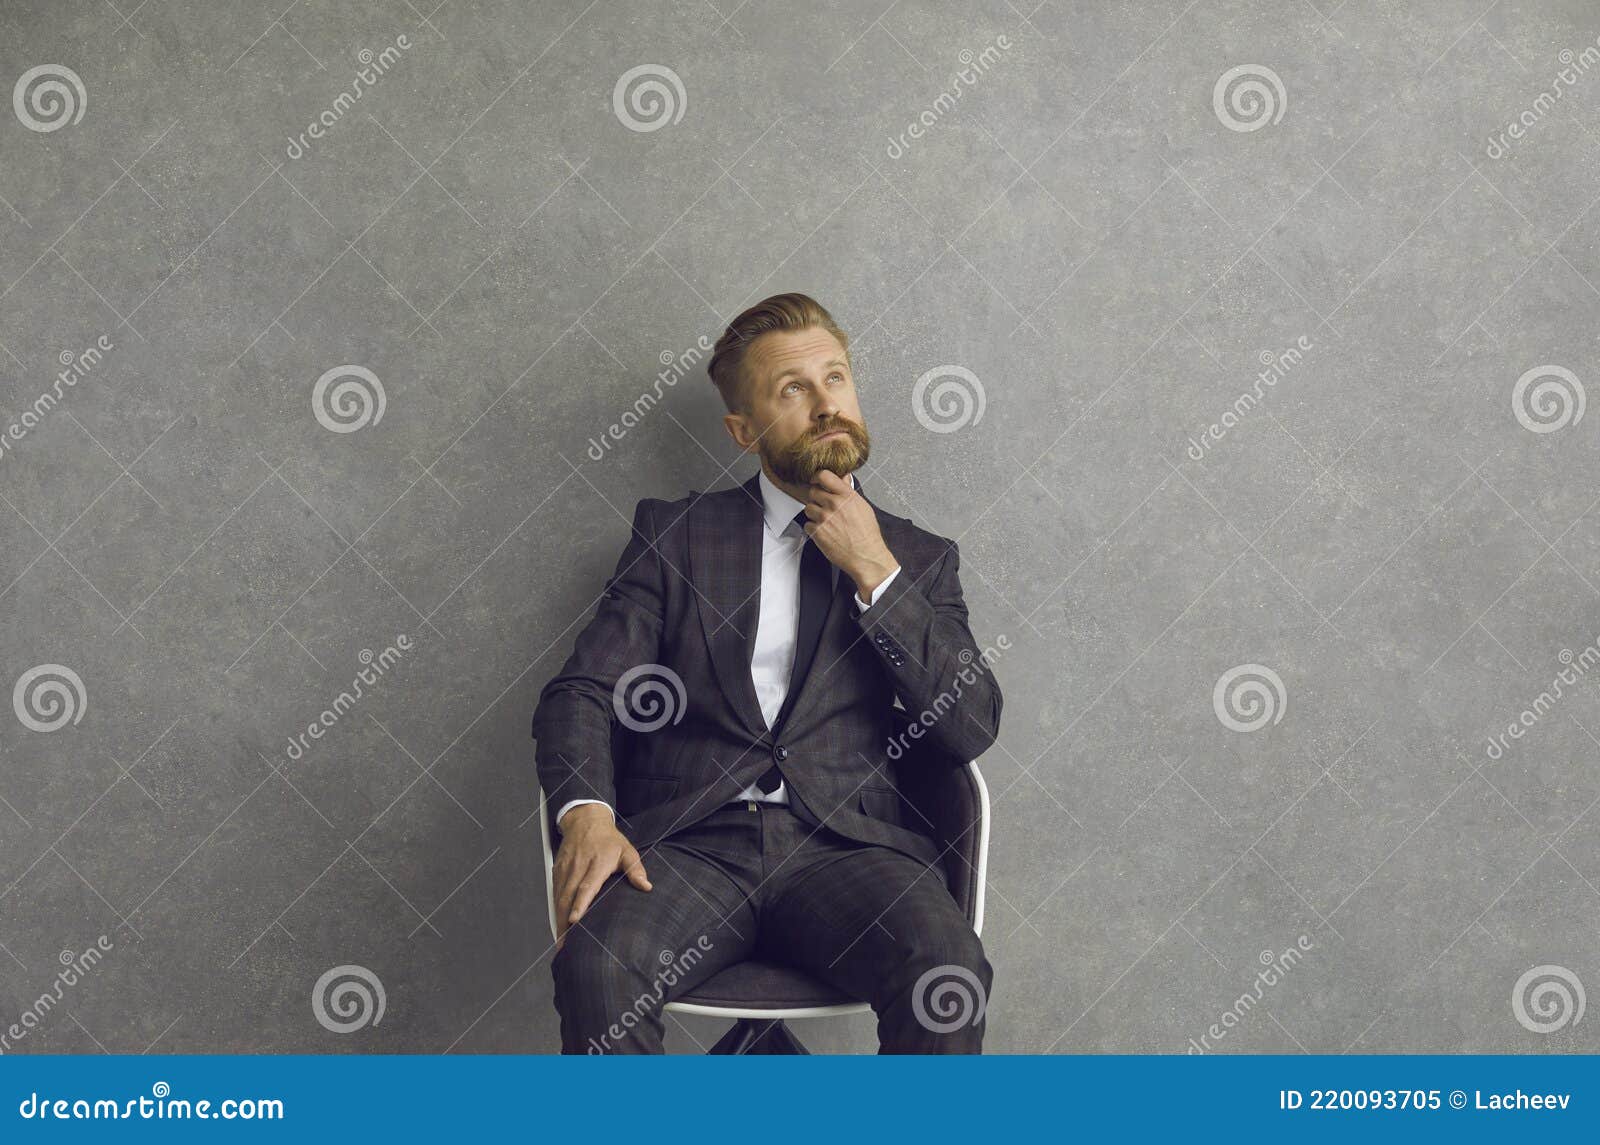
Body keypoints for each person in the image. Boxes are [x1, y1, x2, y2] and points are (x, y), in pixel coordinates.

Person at [531, 292, 1001, 1053]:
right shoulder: (676, 536)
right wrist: (587, 810)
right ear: (743, 430)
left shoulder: (917, 557)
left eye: (836, 379)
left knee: (945, 972)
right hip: (691, 848)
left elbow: (970, 722)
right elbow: (582, 691)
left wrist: (876, 573)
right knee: (599, 967)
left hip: (851, 852)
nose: (826, 405)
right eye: (793, 390)